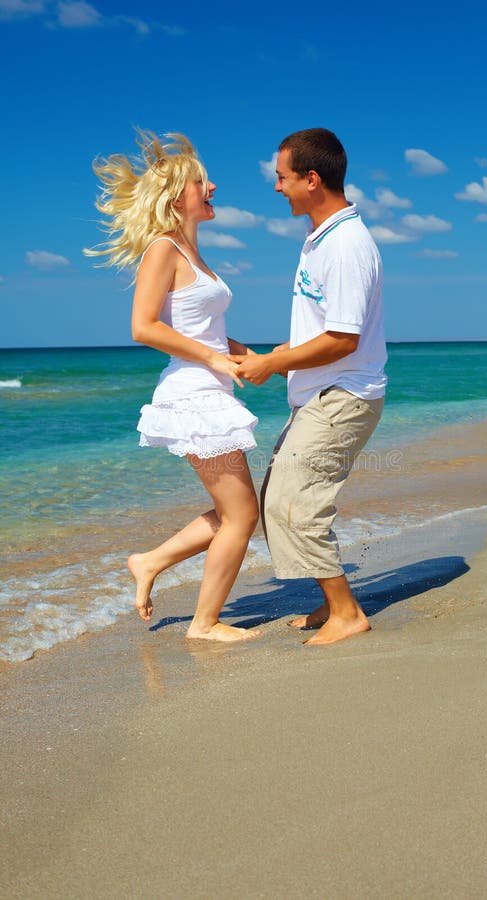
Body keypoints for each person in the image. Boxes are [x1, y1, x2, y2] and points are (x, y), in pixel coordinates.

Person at [85, 130, 261, 642]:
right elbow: (143, 327)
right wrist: (214, 359)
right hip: (192, 397)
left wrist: (267, 358)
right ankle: (203, 624)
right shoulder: (163, 249)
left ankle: (149, 561)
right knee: (243, 515)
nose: (213, 186)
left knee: (239, 512)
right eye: (202, 181)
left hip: (210, 389)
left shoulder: (193, 252)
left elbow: (206, 330)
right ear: (176, 195)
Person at [232, 127, 387, 645]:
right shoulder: (321, 236)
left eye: (282, 177)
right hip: (324, 392)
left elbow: (344, 338)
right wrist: (273, 356)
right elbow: (323, 328)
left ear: (311, 179)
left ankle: (347, 613)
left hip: (342, 394)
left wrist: (273, 364)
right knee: (283, 495)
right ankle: (331, 603)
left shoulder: (344, 245)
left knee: (294, 503)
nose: (277, 187)